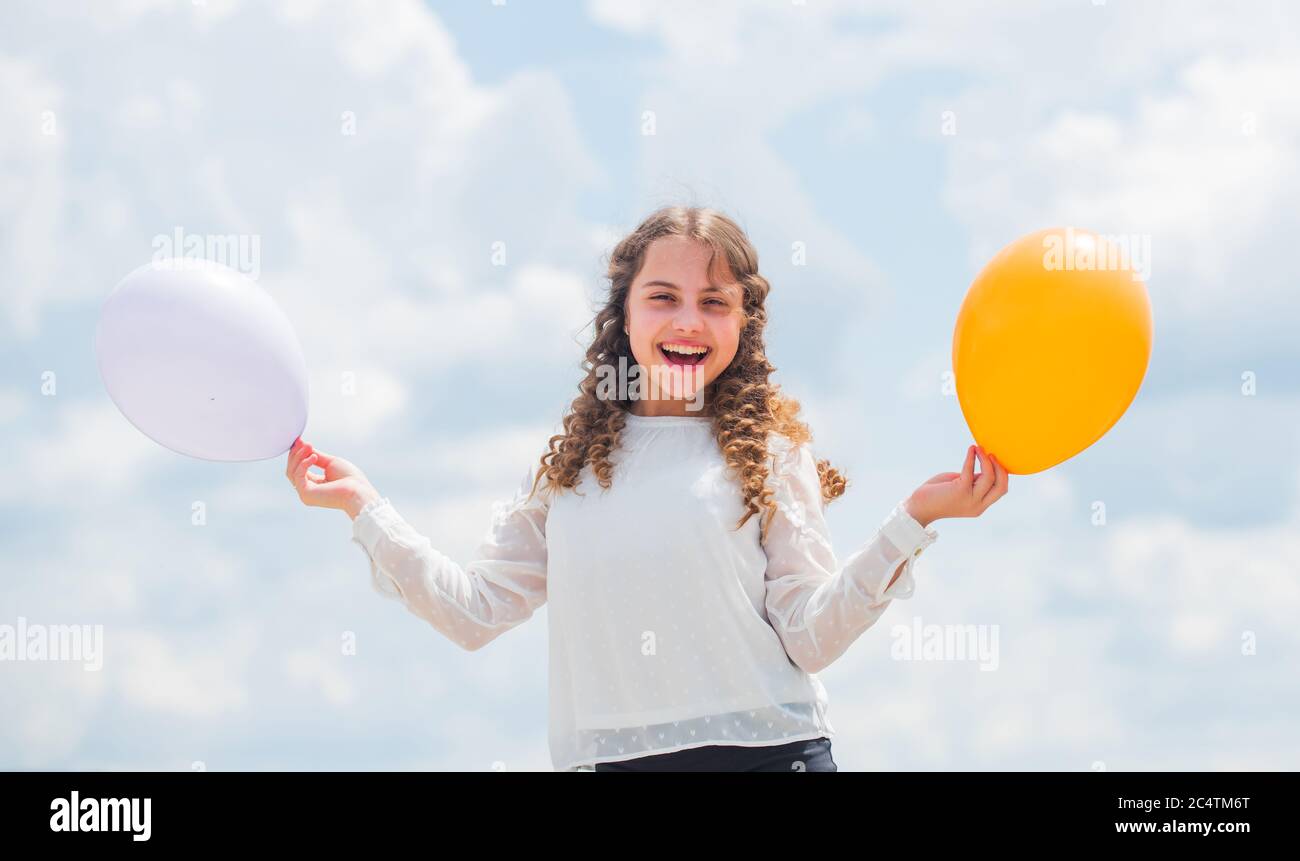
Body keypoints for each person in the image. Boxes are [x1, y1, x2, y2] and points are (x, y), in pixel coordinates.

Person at [285, 206, 1009, 772]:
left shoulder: (769, 453)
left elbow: (811, 635)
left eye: (715, 301)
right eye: (663, 296)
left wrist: (913, 520)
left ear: (743, 323)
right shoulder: (569, 474)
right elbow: (474, 612)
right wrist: (364, 506)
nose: (689, 320)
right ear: (624, 314)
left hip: (770, 756)